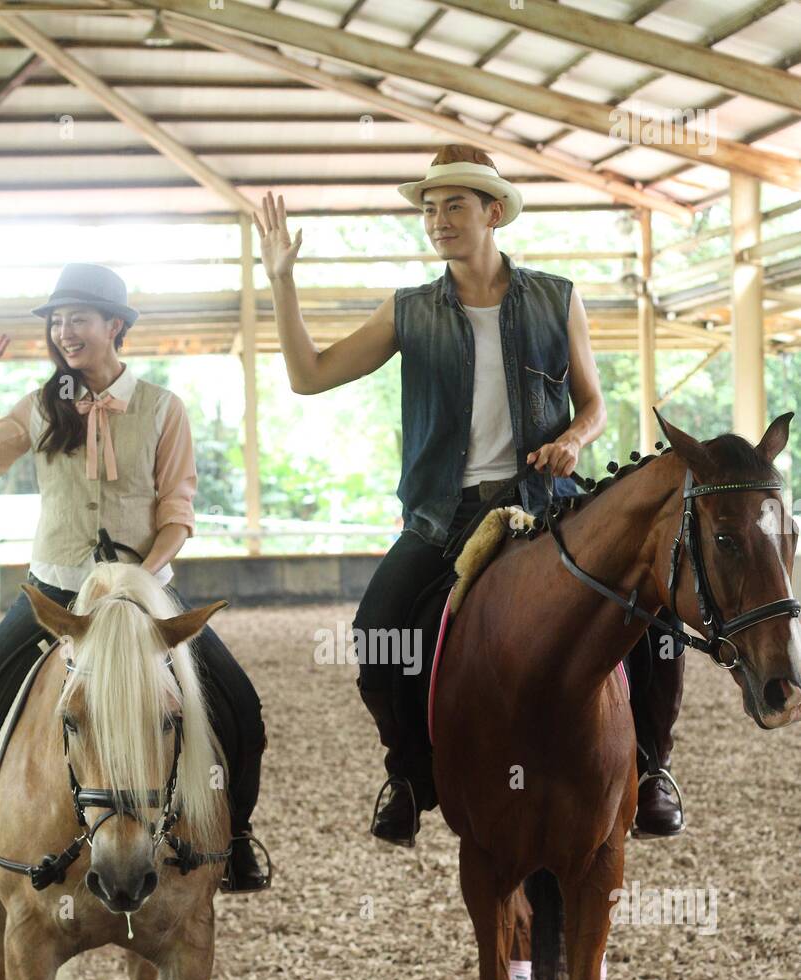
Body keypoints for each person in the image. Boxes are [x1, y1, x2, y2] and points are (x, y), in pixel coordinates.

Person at [253, 147, 685, 845]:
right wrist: (281, 282)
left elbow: (595, 404)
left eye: (453, 205)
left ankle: (653, 767)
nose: (437, 220)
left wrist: (574, 440)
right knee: (378, 631)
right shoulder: (408, 312)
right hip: (441, 516)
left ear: (493, 212)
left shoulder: (557, 296)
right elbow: (308, 376)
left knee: (655, 614)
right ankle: (408, 774)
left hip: (548, 504)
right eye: (428, 208)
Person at [0, 262, 269, 903]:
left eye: (77, 318)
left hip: (145, 599)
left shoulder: (164, 409)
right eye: (56, 321)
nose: (64, 331)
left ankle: (236, 839)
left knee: (243, 708)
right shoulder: (38, 407)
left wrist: (136, 586)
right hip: (54, 600)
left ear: (114, 326)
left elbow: (177, 515)